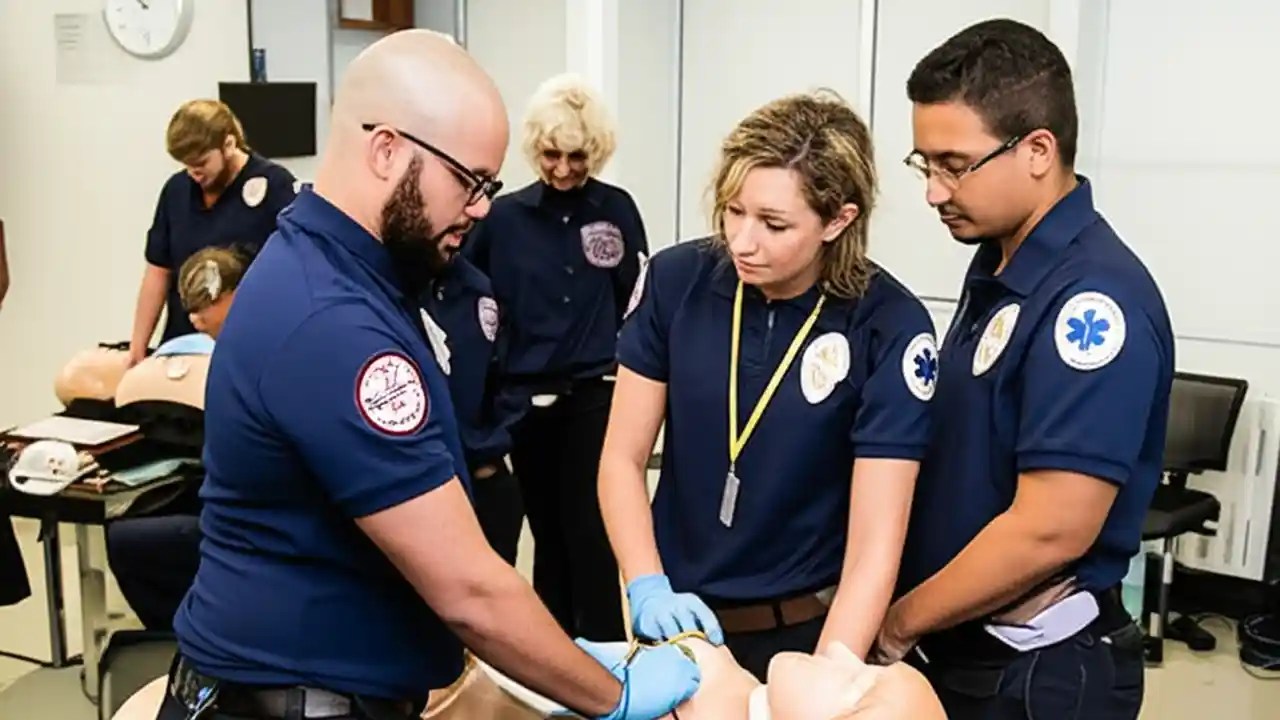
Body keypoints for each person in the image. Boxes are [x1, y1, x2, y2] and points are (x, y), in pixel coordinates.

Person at [159, 30, 697, 720]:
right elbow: (469, 591)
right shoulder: (333, 319)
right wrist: (613, 695)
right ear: (387, 149)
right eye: (469, 182)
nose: (481, 208)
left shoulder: (336, 270)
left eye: (489, 187)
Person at [876, 18, 1173, 720]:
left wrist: (898, 624)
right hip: (967, 651)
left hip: (1037, 674)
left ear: (1038, 150)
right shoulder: (1000, 265)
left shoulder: (1091, 301)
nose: (934, 192)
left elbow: (1051, 530)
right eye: (925, 165)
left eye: (954, 164)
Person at [600, 90, 936, 683]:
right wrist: (645, 585)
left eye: (774, 224)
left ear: (838, 220)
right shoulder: (677, 283)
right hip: (676, 622)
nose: (742, 242)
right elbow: (621, 460)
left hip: (807, 631)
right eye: (733, 211)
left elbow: (874, 547)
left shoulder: (888, 326)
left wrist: (824, 679)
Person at [463, 72, 647, 642]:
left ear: (595, 152)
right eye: (551, 155)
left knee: (592, 535)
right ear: (534, 148)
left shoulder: (616, 210)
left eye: (576, 157)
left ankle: (607, 659)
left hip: (594, 396)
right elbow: (470, 302)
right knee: (547, 536)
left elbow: (638, 300)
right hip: (524, 403)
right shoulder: (502, 219)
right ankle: (554, 658)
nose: (563, 169)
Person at [106, 246, 248, 631]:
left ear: (238, 293)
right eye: (191, 307)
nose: (196, 318)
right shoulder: (204, 356)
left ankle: (188, 635)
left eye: (208, 303)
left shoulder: (249, 361)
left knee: (127, 540)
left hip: (250, 522)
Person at [128, 99, 296, 366]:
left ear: (228, 145)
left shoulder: (275, 187)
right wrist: (137, 348)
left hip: (246, 351)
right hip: (182, 348)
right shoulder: (176, 191)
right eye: (187, 166)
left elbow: (293, 277)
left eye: (202, 163)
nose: (194, 174)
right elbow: (158, 271)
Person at [419, 254, 526, 565]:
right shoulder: (378, 294)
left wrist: (487, 444)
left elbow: (513, 373)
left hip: (483, 478)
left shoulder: (480, 289)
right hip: (416, 483)